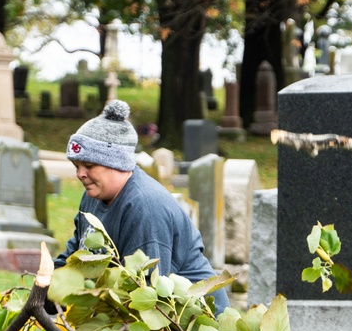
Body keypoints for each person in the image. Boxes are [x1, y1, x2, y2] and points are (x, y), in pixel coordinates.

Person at [54, 100, 229, 311]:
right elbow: (75, 256)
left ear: (116, 162)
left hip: (193, 325)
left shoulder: (144, 207)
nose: (80, 174)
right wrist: (45, 289)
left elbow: (145, 297)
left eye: (89, 165)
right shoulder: (92, 196)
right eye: (77, 166)